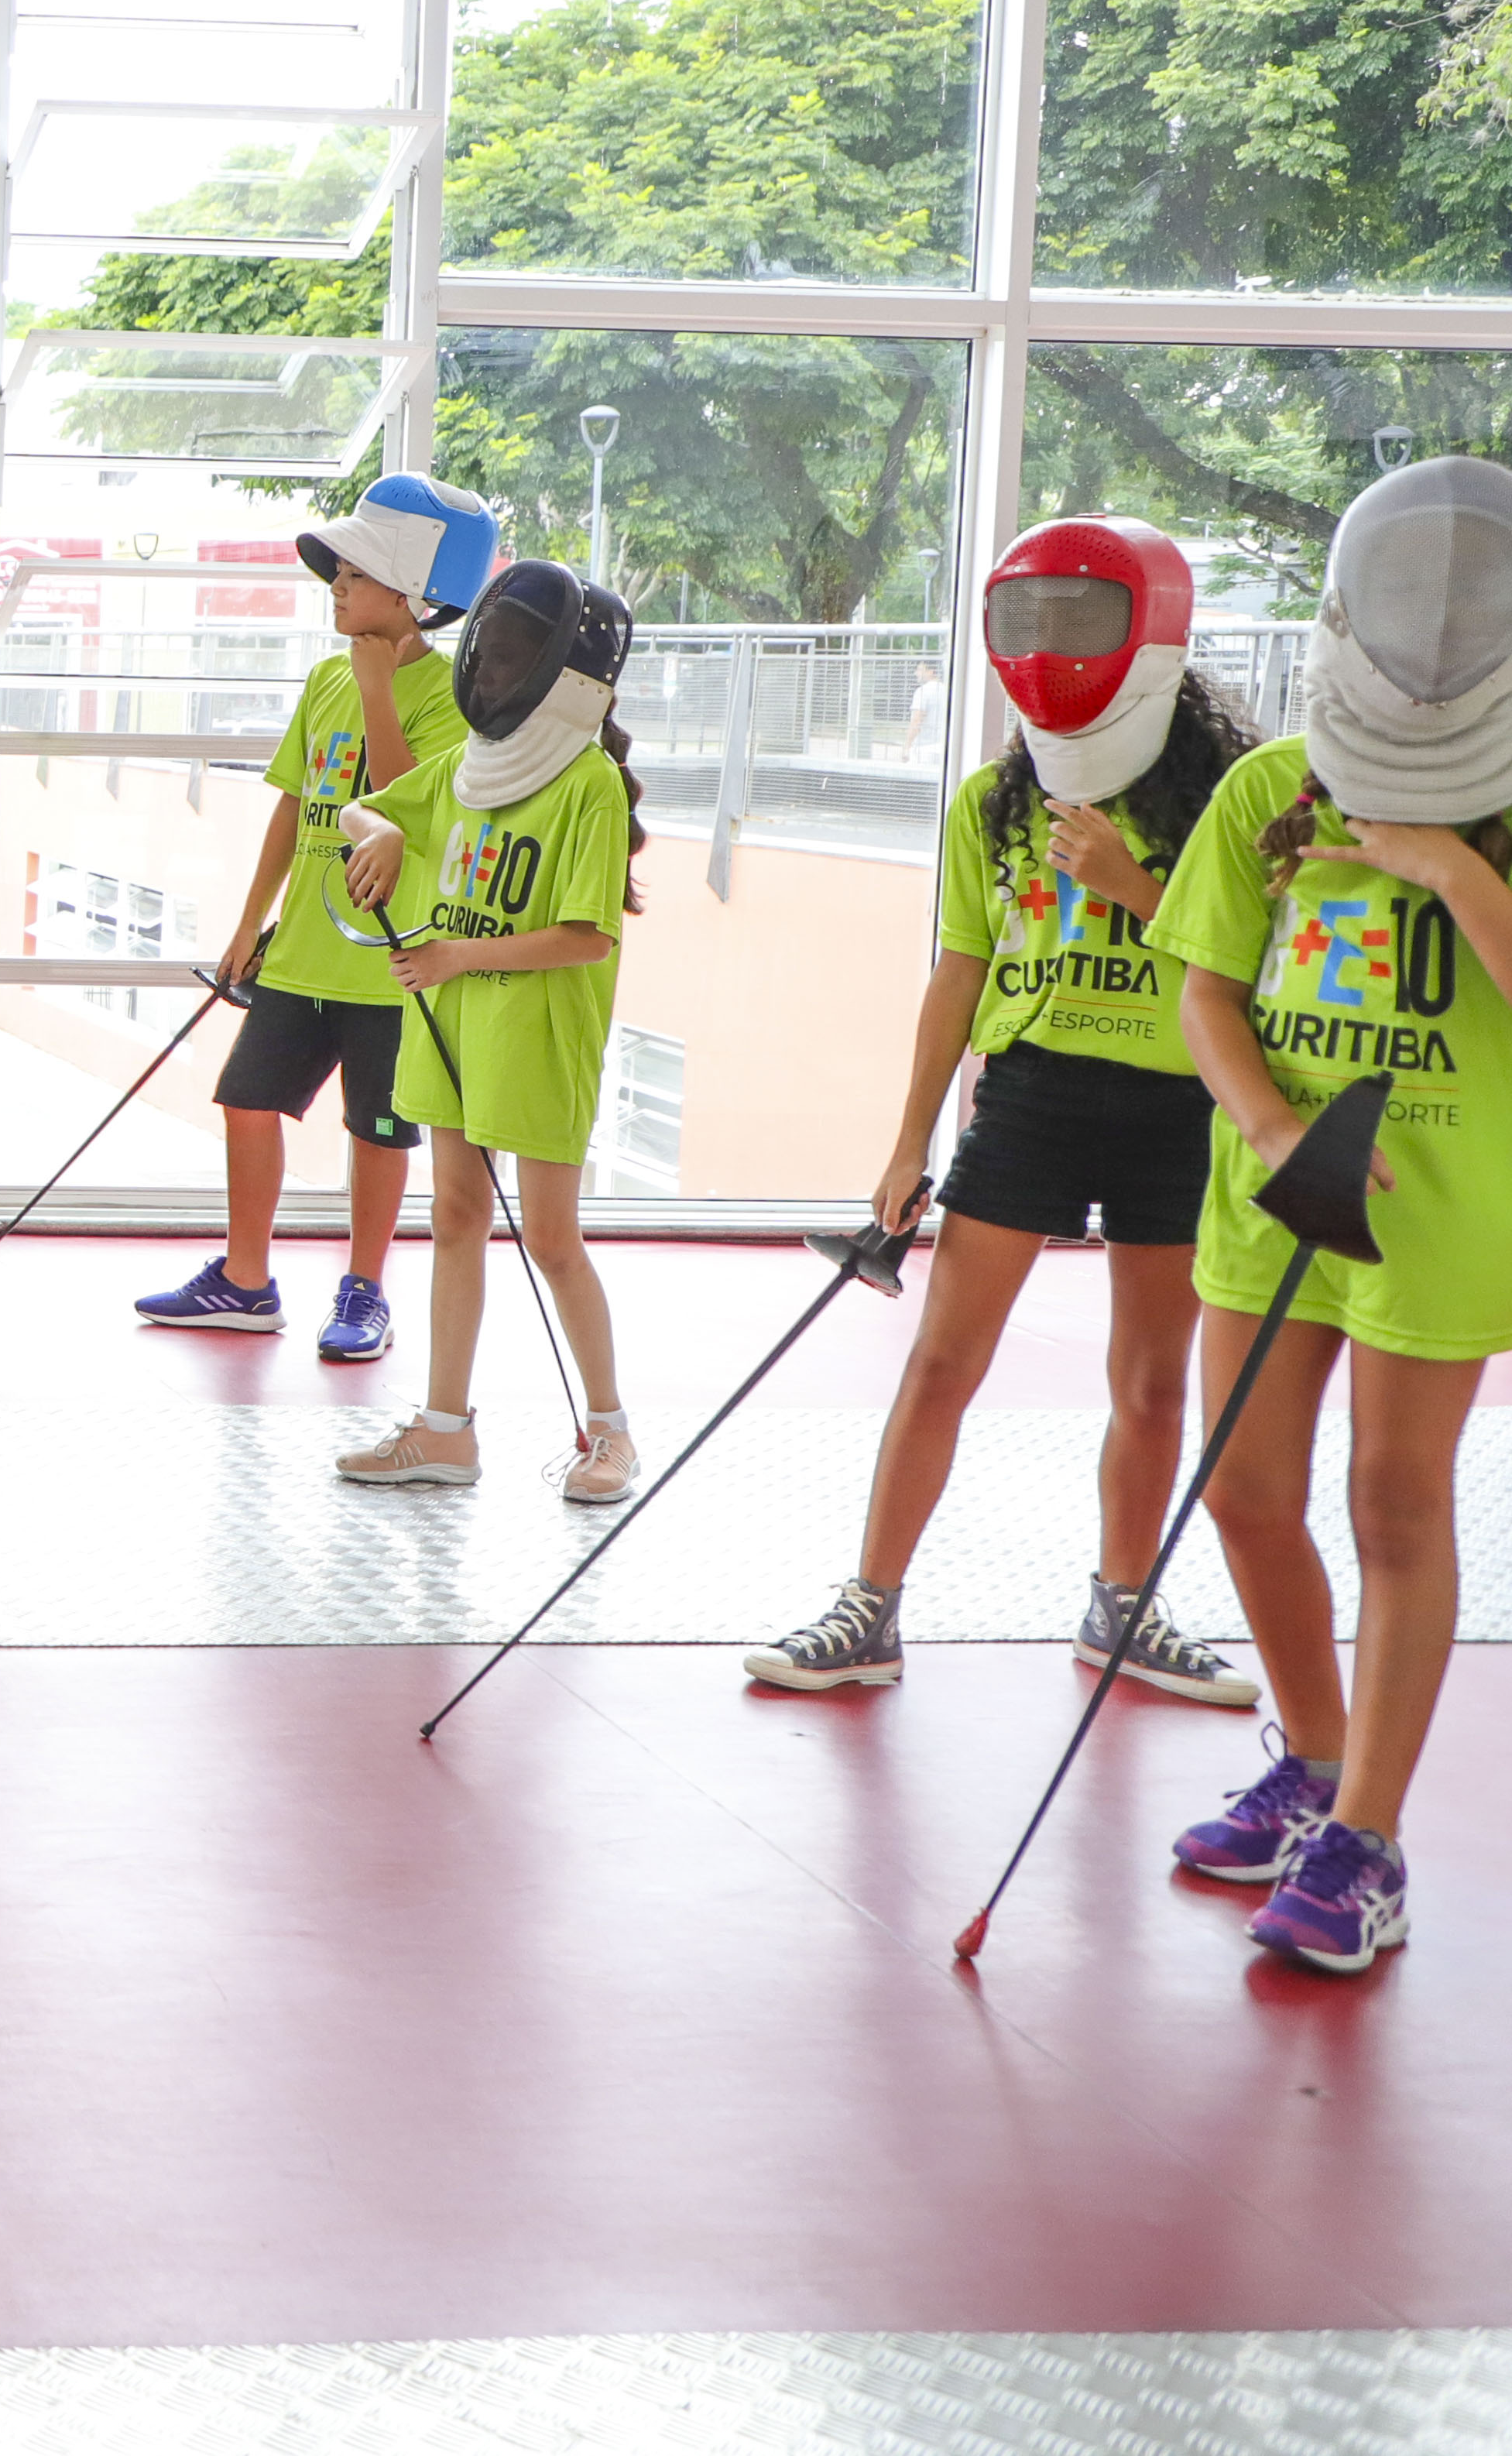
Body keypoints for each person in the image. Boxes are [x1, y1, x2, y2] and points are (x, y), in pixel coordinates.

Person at [746, 517, 1257, 1700]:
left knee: (1151, 1377)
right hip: (1030, 1091)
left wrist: (1134, 888)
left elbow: (1245, 971)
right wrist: (904, 1139)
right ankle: (868, 1608)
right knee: (939, 1361)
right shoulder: (992, 799)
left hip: (1181, 1100)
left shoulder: (1225, 800)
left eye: (1088, 618)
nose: (1059, 642)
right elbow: (961, 969)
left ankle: (1123, 1608)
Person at [1147, 457, 1512, 1974]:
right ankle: (1309, 1756)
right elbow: (1204, 990)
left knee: (1392, 1499)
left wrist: (1445, 866)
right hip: (1275, 1187)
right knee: (1239, 1484)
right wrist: (1273, 1124)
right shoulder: (1261, 789)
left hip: (1442, 1203)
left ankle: (1365, 1837)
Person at [135, 472, 496, 1360]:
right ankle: (245, 1280)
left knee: (374, 1128)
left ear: (413, 596)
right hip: (299, 954)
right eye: (335, 568)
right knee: (246, 1102)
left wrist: (378, 685)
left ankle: (363, 1290)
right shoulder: (322, 678)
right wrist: (244, 923)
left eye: (356, 571)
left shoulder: (455, 695)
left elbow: (405, 802)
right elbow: (293, 806)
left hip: (388, 963)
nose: (334, 581)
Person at [329, 558, 647, 1501]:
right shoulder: (466, 768)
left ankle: (610, 1432)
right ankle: (442, 1429)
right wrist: (377, 831)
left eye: (516, 658)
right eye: (493, 654)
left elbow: (585, 937)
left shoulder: (588, 784)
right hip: (450, 1023)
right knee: (456, 1217)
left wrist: (456, 958)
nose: (496, 672)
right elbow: (364, 806)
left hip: (535, 1034)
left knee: (550, 1237)